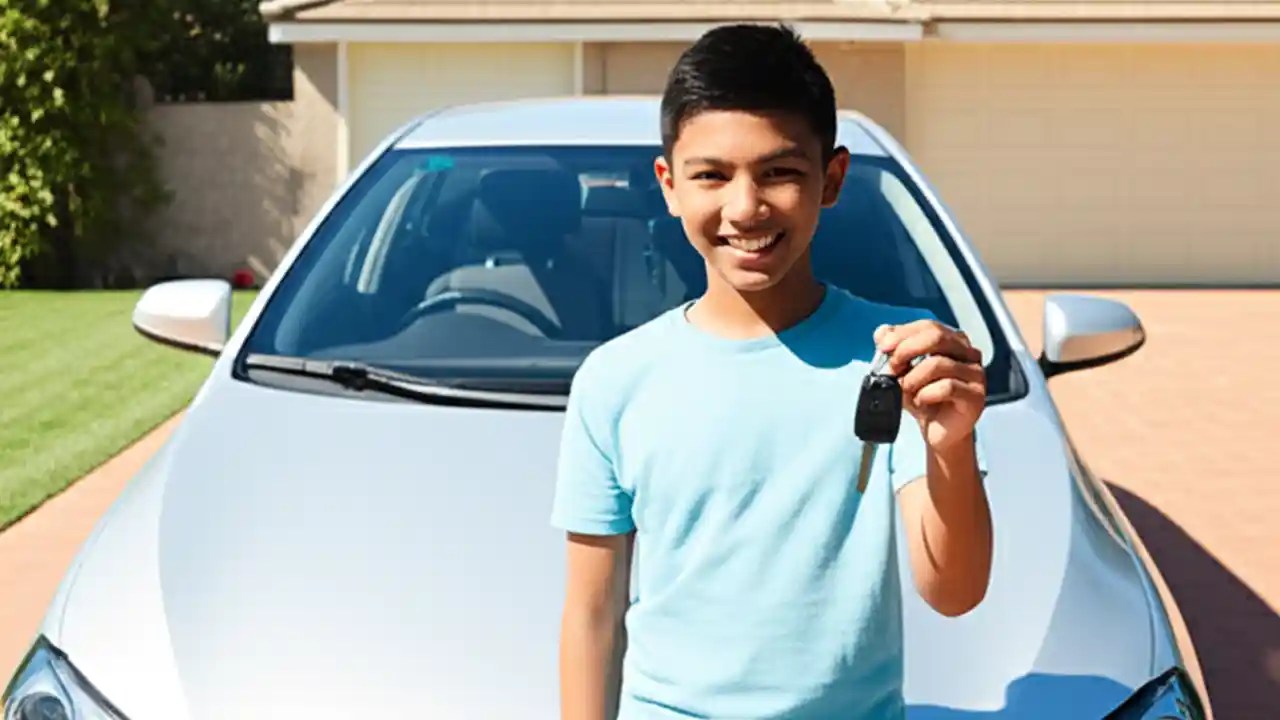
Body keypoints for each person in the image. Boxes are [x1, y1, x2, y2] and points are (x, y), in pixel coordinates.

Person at [551, 22, 993, 720]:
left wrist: (952, 448)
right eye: (711, 175)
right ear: (669, 185)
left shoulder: (898, 361)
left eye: (780, 172)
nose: (745, 207)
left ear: (833, 179)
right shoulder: (614, 380)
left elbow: (954, 590)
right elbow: (592, 614)